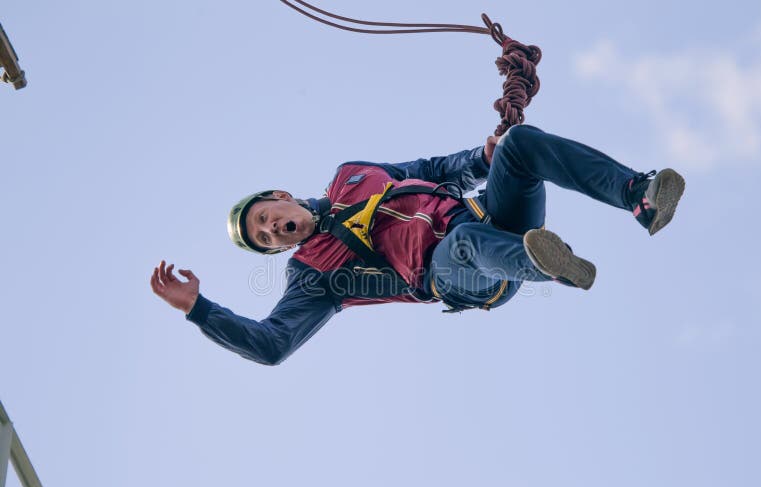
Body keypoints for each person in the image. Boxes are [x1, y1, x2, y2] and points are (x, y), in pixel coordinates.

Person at [150, 125, 685, 365]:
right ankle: (547, 266)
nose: (272, 229)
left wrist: (483, 156)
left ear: (281, 197)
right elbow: (272, 345)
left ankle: (638, 196)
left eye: (266, 218)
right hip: (461, 275)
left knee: (519, 146)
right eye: (265, 239)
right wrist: (199, 309)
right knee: (463, 243)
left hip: (487, 222)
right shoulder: (311, 276)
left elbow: (429, 171)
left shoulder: (352, 175)